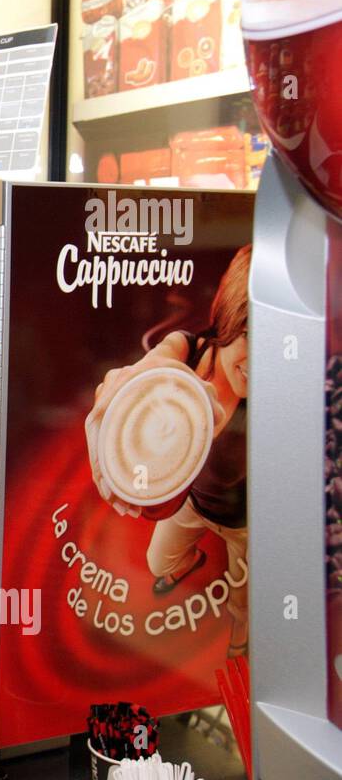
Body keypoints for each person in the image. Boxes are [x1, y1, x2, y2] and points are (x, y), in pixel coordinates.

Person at [85, 246, 250, 657]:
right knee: (159, 563)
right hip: (192, 505)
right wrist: (121, 389)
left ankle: (239, 650)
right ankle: (189, 564)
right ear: (230, 316)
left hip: (244, 522)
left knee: (244, 603)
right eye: (252, 333)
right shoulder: (188, 351)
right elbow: (148, 367)